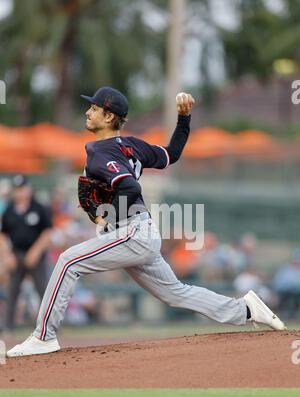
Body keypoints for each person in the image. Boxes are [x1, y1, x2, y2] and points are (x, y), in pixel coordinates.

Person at [7, 87, 286, 357]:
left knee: (68, 261)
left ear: (108, 117)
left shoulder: (99, 152)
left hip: (131, 232)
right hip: (141, 233)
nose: (88, 112)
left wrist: (108, 214)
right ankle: (247, 309)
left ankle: (44, 337)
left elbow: (130, 188)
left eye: (94, 108)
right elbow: (171, 154)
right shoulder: (132, 145)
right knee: (176, 293)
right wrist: (184, 118)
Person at [0, 175, 52, 331]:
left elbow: (47, 232)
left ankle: (48, 326)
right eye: (17, 190)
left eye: (22, 189)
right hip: (16, 254)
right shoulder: (9, 210)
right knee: (12, 291)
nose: (20, 193)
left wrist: (35, 252)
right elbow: (3, 234)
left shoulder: (38, 208)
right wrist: (7, 255)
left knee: (43, 290)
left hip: (36, 255)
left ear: (29, 189)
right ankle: (8, 327)